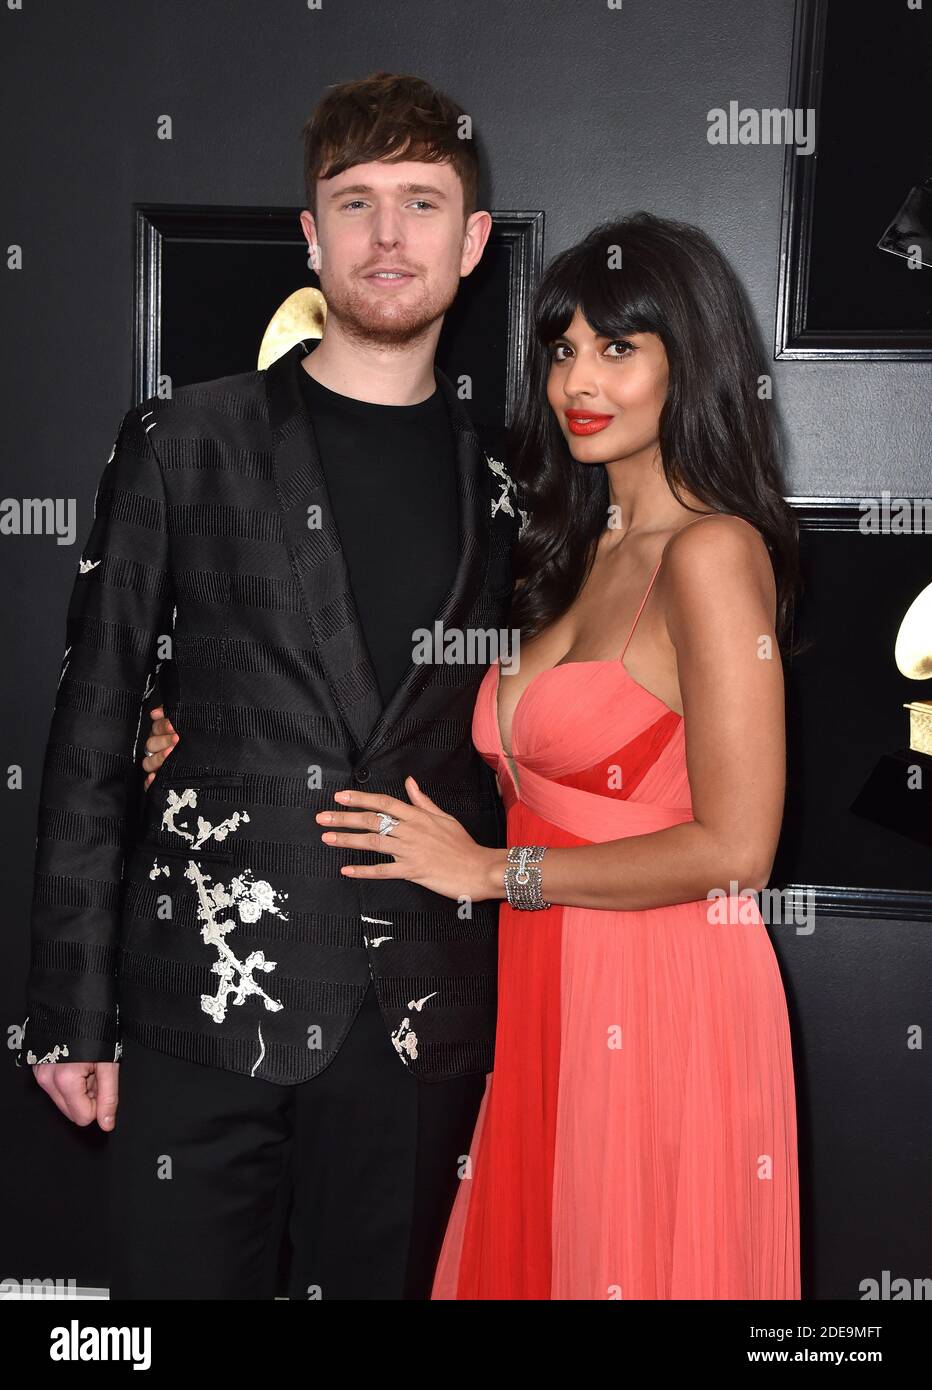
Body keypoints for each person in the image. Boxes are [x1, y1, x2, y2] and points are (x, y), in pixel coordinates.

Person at [19, 72, 522, 1300]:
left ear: (468, 244)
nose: (386, 235)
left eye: (419, 202)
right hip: (201, 1000)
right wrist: (68, 1011)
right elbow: (92, 733)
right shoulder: (181, 440)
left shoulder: (520, 484)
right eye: (354, 203)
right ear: (311, 235)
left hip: (422, 1015)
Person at [275, 212, 803, 1299]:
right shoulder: (566, 551)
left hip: (662, 991)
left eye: (618, 347)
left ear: (688, 361)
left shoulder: (711, 552)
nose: (578, 378)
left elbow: (737, 848)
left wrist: (487, 871)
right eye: (561, 349)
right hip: (542, 983)